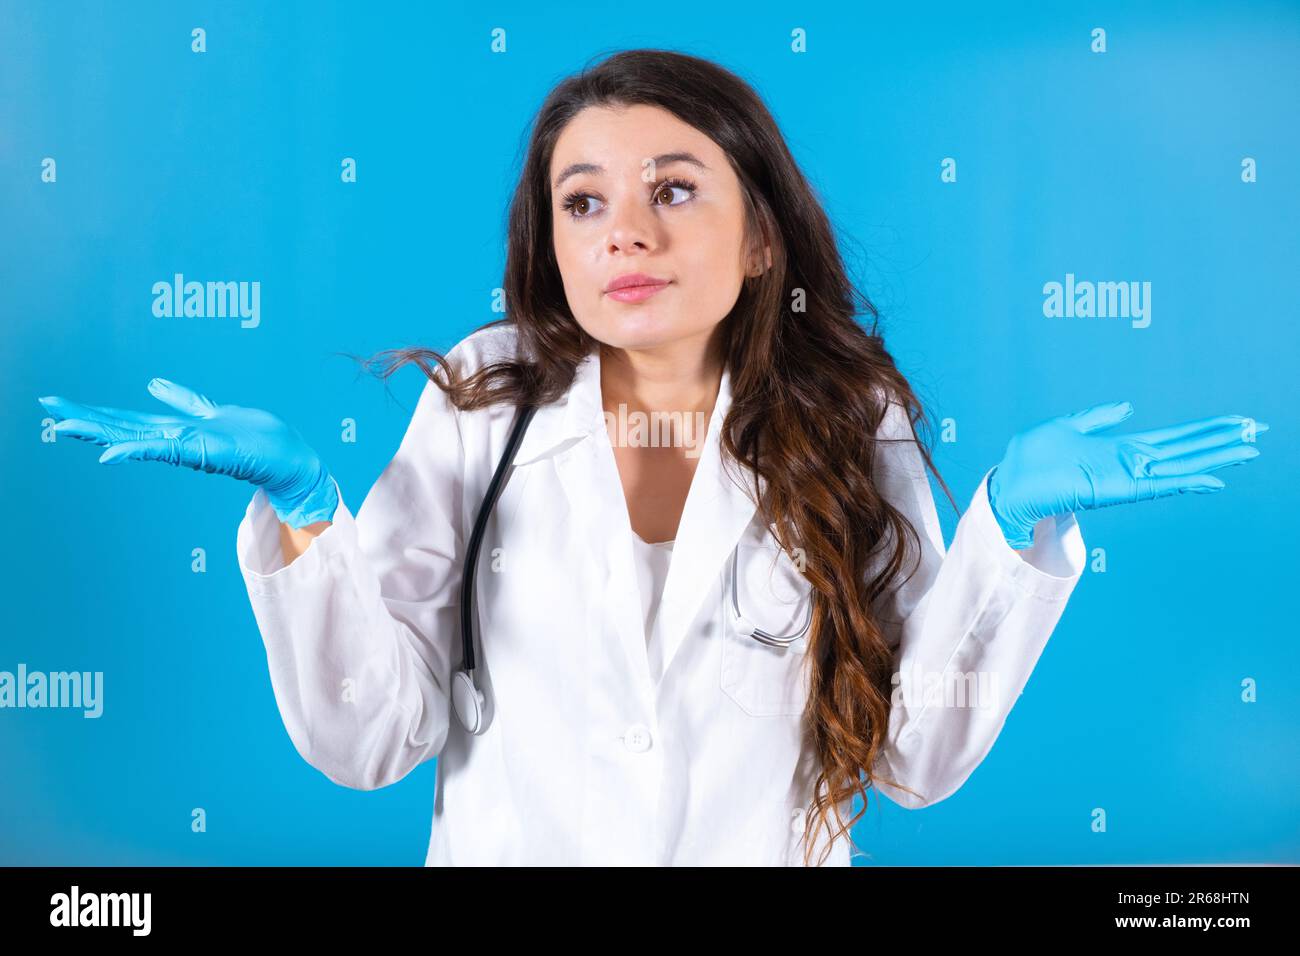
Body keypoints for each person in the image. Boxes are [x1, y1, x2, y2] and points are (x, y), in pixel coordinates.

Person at [37, 49, 1267, 866]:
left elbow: (908, 758)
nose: (623, 226)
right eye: (583, 201)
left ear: (757, 239)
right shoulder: (487, 399)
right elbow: (374, 739)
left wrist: (1005, 531)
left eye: (673, 188)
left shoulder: (848, 416)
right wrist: (309, 516)